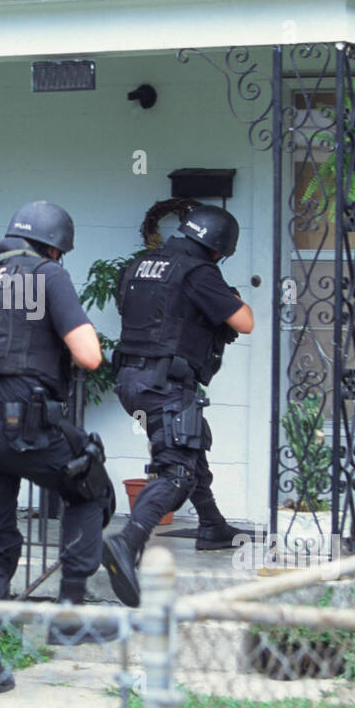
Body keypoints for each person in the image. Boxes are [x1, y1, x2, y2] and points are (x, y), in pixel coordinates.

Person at [0, 201, 118, 697]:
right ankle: (69, 615)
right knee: (89, 488)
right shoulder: (48, 276)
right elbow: (90, 356)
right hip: (23, 428)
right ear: (54, 247)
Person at [101, 204, 254, 608]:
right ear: (217, 247)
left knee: (189, 448)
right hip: (164, 381)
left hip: (132, 380)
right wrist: (234, 298)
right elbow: (244, 321)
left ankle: (213, 526)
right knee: (178, 471)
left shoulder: (141, 265)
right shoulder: (198, 272)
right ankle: (127, 541)